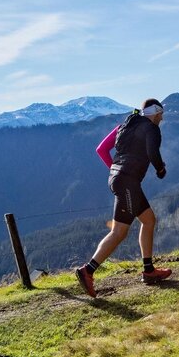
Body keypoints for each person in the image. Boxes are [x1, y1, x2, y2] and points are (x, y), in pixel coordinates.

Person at [75, 99, 173, 298]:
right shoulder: (152, 129)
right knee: (119, 231)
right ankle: (88, 270)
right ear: (155, 112)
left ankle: (149, 270)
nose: (162, 118)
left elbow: (101, 149)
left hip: (120, 179)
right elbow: (153, 152)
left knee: (148, 220)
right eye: (161, 114)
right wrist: (160, 169)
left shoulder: (125, 126)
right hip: (127, 182)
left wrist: (116, 170)